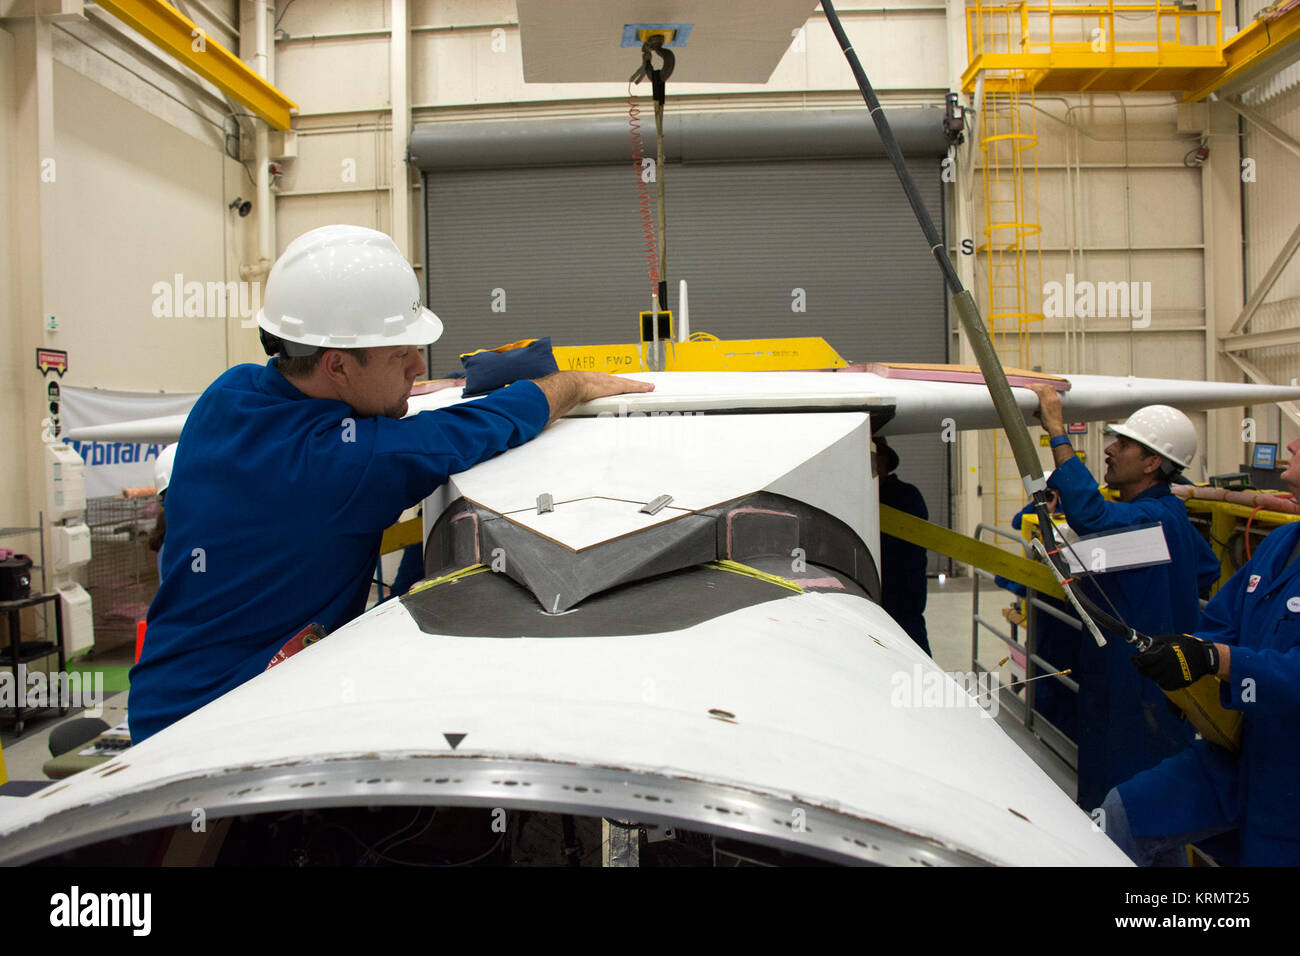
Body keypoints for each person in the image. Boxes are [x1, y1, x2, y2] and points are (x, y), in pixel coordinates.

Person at [128, 225, 653, 742]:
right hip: (220, 728)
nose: (417, 366)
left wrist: (409, 390)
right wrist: (573, 383)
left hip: (159, 703)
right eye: (401, 355)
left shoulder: (230, 391)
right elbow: (478, 428)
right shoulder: (345, 465)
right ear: (336, 366)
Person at [1102, 434, 1300, 866]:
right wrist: (1191, 674)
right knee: (1120, 814)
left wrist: (1218, 661)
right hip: (1239, 752)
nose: (1292, 444)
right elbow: (1222, 619)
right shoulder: (1282, 545)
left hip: (1290, 773)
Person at [1025, 383, 1219, 812]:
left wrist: (1057, 430)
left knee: (1128, 803)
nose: (1110, 449)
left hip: (1135, 689)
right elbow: (1207, 568)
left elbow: (1092, 515)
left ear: (1152, 463)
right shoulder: (1169, 516)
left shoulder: (1152, 518)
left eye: (1124, 444)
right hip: (1133, 680)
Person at [874, 436, 930, 655]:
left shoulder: (907, 496)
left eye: (877, 459)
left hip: (903, 598)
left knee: (915, 659)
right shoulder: (857, 497)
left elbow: (904, 544)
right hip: (870, 599)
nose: (874, 465)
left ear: (885, 462)